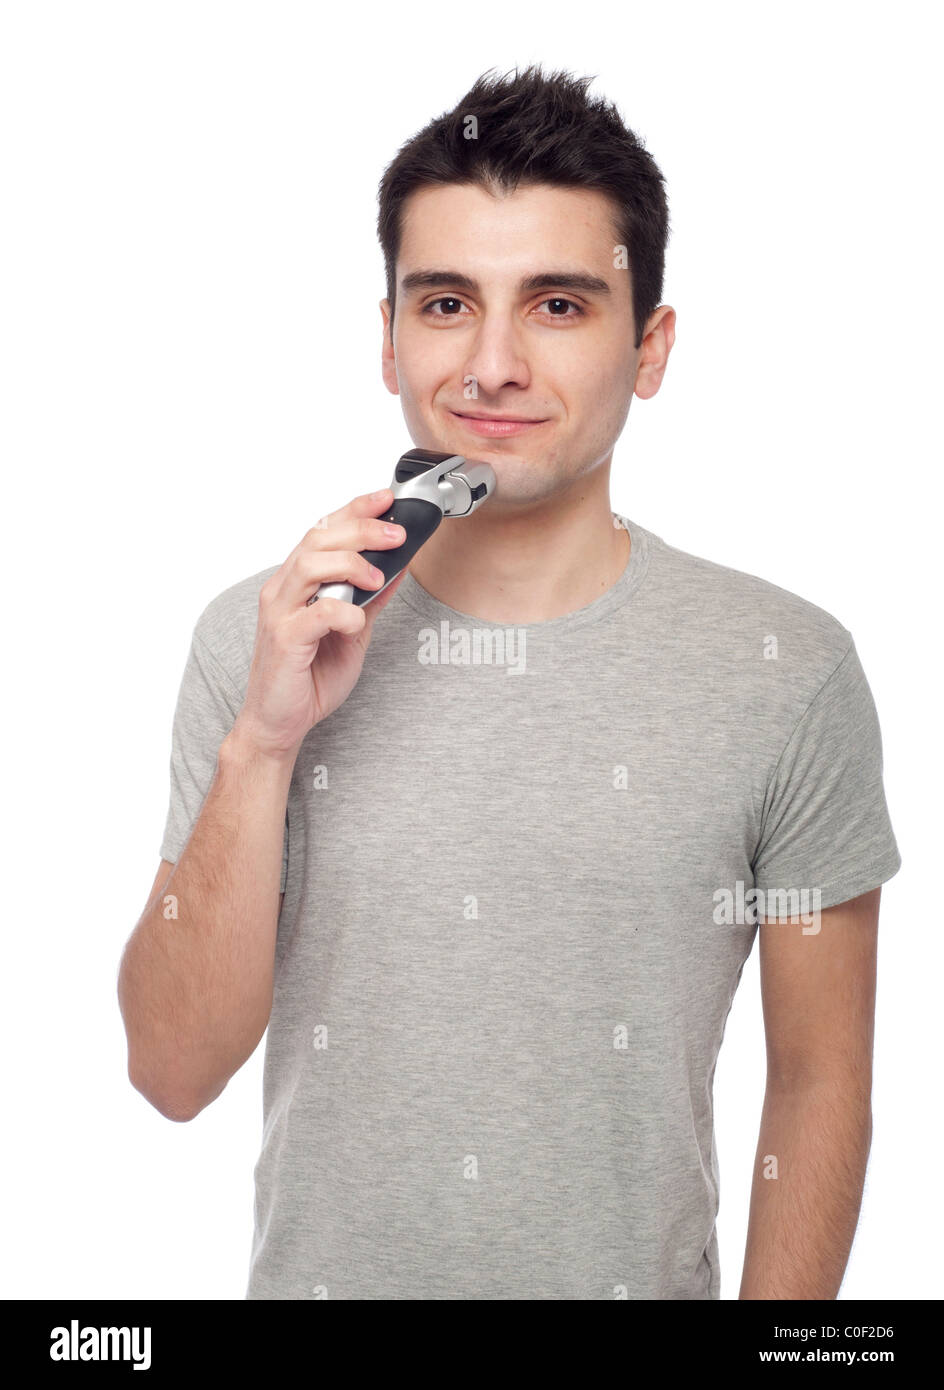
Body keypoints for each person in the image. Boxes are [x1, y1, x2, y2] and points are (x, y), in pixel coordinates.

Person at [117, 65, 901, 1301]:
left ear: (648, 348)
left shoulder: (785, 670)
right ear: (385, 339)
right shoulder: (257, 638)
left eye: (554, 304)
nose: (490, 366)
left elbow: (816, 1083)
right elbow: (170, 1071)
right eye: (443, 303)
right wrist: (262, 746)